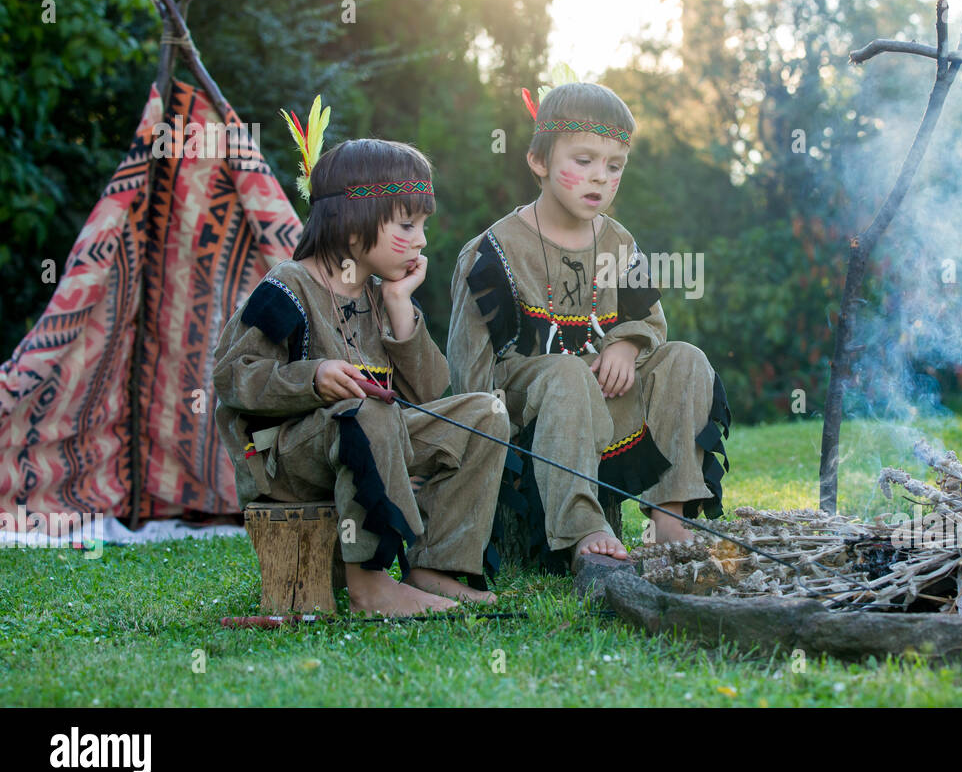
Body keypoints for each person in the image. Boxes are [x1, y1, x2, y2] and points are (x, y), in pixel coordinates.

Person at [213, 127, 509, 617]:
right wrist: (312, 377)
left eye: (422, 227)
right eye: (407, 226)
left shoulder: (377, 292)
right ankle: (370, 586)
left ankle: (434, 565)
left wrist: (399, 306)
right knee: (364, 412)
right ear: (354, 226)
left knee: (484, 413)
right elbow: (233, 376)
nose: (421, 241)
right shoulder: (288, 288)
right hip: (291, 459)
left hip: (377, 434)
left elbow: (431, 391)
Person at [447, 81, 730, 571]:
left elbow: (650, 322)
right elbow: (468, 367)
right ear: (539, 161)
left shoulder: (620, 242)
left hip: (604, 408)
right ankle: (582, 528)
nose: (599, 177)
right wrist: (479, 446)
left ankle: (670, 517)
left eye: (613, 166)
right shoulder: (492, 252)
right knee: (566, 372)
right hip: (527, 419)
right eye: (582, 161)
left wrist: (625, 344)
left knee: (687, 358)